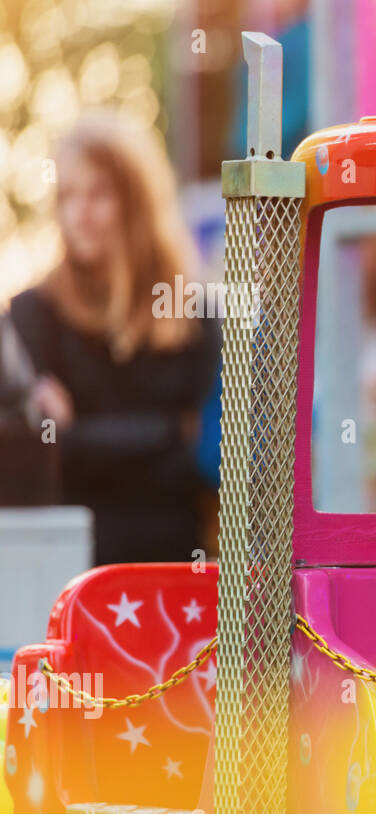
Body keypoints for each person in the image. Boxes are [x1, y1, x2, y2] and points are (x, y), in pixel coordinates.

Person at [7, 112, 220, 565]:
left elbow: (208, 460)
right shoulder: (32, 313)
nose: (79, 213)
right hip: (68, 570)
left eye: (98, 194)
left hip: (175, 568)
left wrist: (78, 433)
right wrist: (167, 431)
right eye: (68, 195)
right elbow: (39, 457)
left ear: (136, 201)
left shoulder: (194, 312)